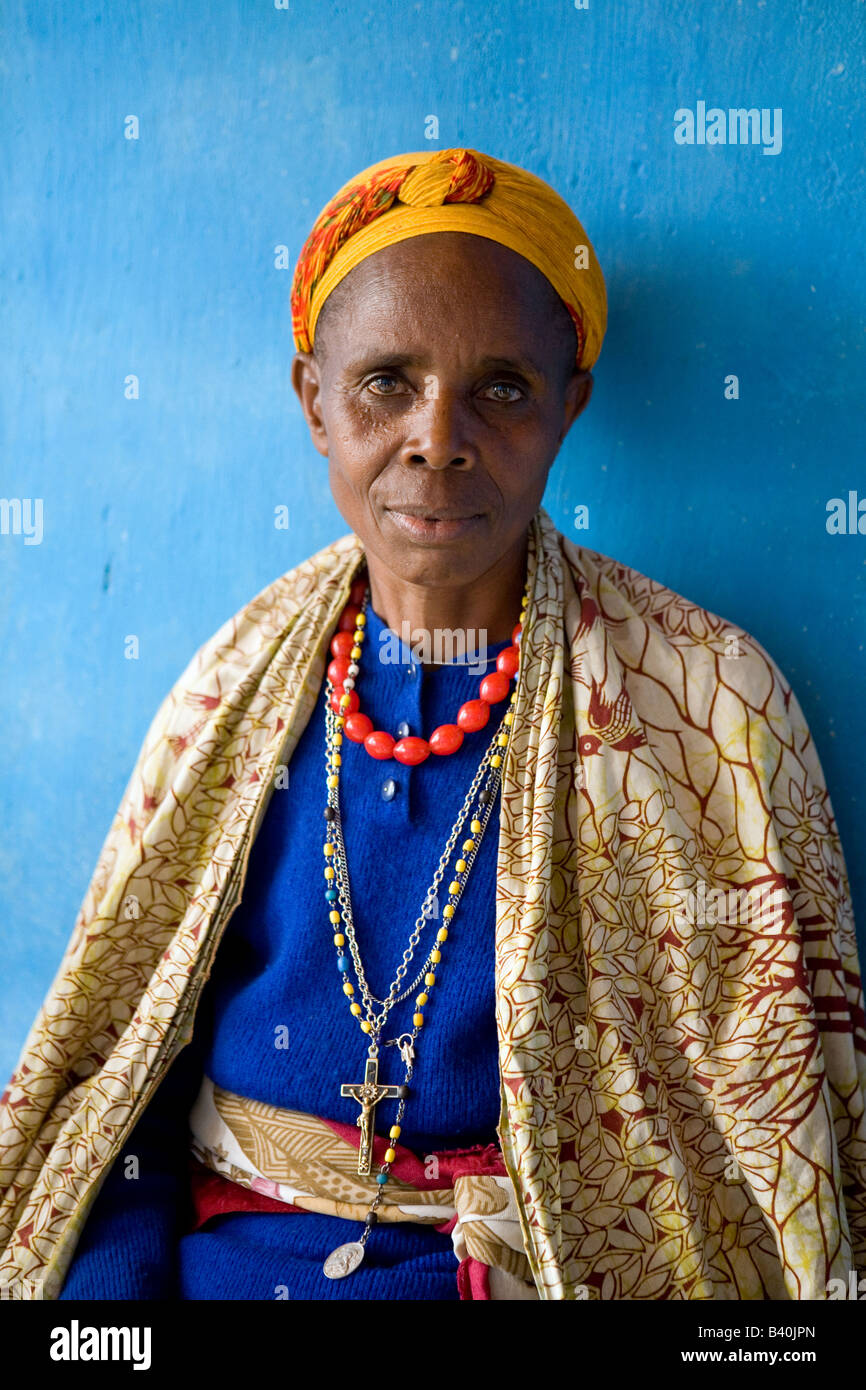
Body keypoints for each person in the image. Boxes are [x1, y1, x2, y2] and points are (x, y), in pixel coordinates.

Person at [1, 147, 864, 1302]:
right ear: (314, 402)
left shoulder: (705, 705)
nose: (438, 436)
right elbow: (128, 1073)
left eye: (501, 385)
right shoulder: (233, 690)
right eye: (384, 382)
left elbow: (775, 1143)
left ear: (571, 404)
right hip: (228, 1264)